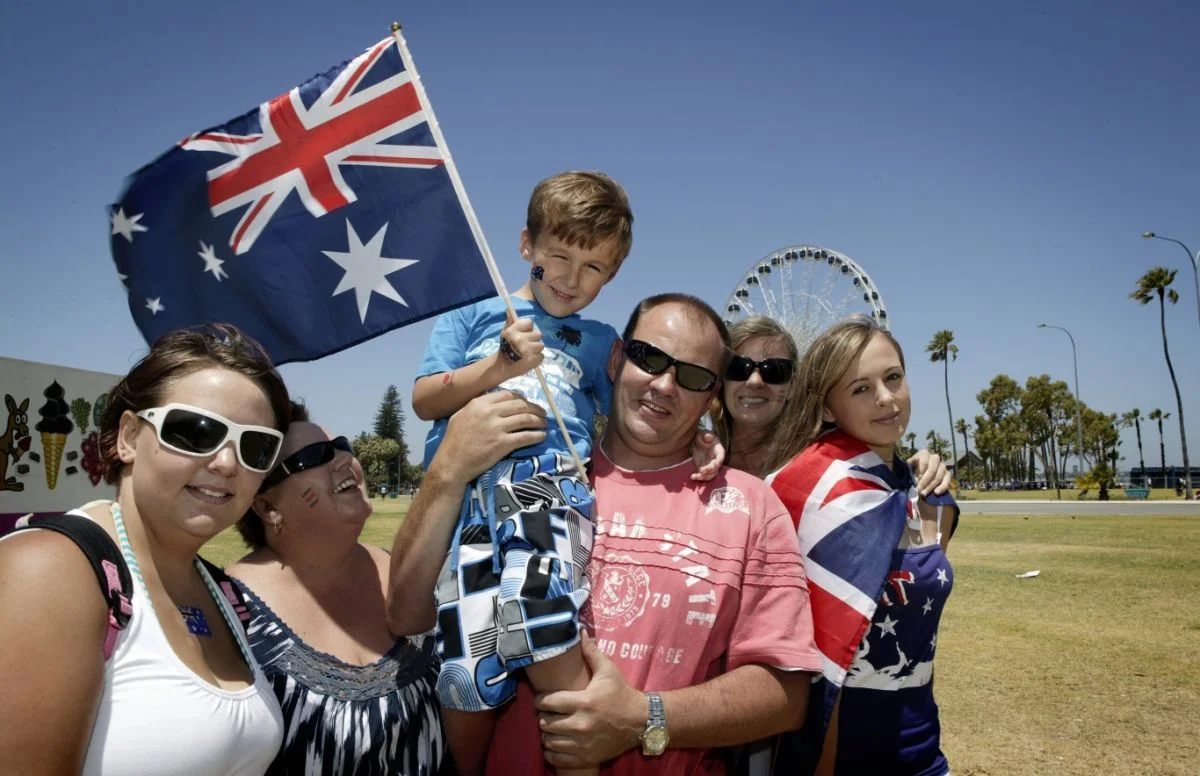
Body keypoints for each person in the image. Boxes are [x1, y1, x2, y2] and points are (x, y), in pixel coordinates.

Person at [391, 293, 822, 774]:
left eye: (693, 377)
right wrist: (446, 471)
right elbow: (407, 613)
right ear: (616, 359)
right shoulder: (531, 481)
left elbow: (785, 696)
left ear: (711, 397)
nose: (664, 384)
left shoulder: (751, 507)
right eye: (649, 358)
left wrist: (643, 716)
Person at [408, 170, 634, 776]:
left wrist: (708, 443)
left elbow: (626, 426)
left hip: (547, 489)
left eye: (594, 269)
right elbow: (426, 399)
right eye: (558, 256)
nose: (570, 278)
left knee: (536, 613)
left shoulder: (603, 342)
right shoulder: (473, 313)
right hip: (467, 512)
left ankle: (580, 761)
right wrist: (498, 366)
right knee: (465, 670)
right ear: (525, 244)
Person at [0, 324, 288, 775]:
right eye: (196, 431)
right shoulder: (50, 570)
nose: (228, 463)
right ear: (129, 437)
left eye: (256, 446)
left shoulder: (221, 591)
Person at [763, 316, 958, 775]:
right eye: (860, 389)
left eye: (893, 378)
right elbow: (824, 654)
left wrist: (931, 481)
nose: (886, 398)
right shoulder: (813, 493)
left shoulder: (920, 493)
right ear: (828, 408)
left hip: (922, 747)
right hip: (838, 752)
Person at [228, 402, 444, 776]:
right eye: (315, 455)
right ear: (266, 507)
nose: (344, 459)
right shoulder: (229, 610)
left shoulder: (408, 570)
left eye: (341, 445)